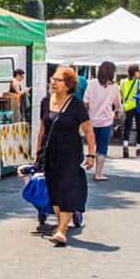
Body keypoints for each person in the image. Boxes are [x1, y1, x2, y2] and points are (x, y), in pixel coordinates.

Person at [34, 66, 96, 247]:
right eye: (52, 79)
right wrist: (37, 153)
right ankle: (63, 222)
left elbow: (89, 131)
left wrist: (91, 154)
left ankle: (62, 229)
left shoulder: (76, 104)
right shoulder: (46, 101)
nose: (53, 82)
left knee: (67, 189)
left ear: (68, 84)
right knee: (54, 191)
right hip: (50, 153)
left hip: (70, 153)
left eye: (58, 80)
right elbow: (42, 130)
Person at [83, 61, 122, 182]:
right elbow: (118, 106)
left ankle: (87, 165)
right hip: (106, 121)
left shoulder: (92, 83)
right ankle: (98, 173)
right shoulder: (115, 87)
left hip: (91, 120)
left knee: (90, 145)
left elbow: (85, 101)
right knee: (102, 148)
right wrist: (116, 113)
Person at [120, 65, 140, 158]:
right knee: (139, 128)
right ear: (135, 72)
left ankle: (125, 147)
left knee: (127, 127)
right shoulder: (139, 82)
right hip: (138, 106)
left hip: (127, 107)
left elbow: (121, 93)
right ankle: (138, 149)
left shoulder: (123, 82)